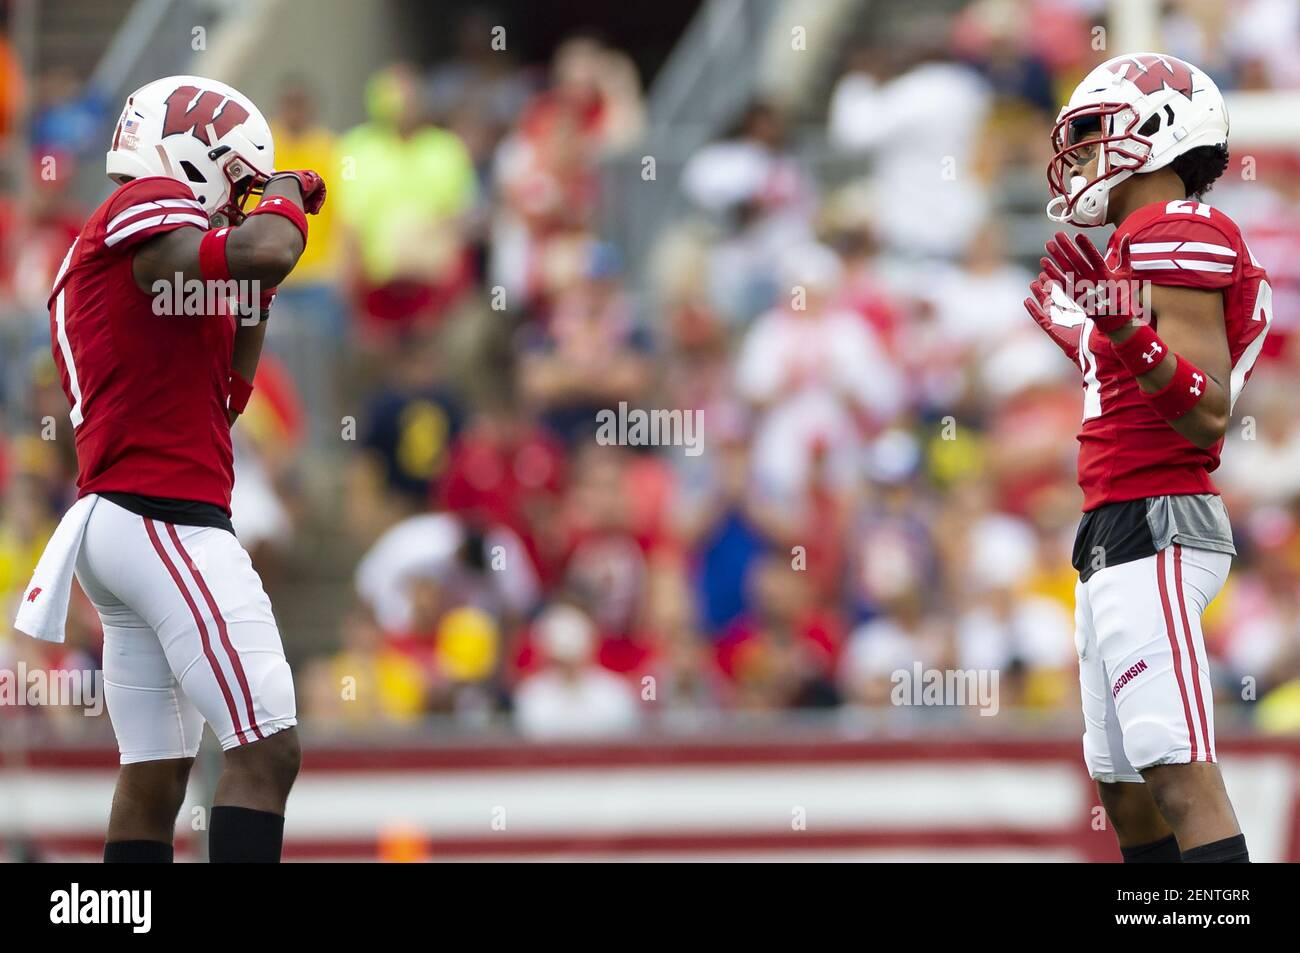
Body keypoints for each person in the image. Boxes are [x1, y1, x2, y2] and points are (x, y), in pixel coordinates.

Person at [15, 75, 326, 863]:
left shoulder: (143, 264)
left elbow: (224, 396)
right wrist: (284, 197)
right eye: (238, 184)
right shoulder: (138, 205)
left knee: (154, 778)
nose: (236, 203)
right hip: (164, 517)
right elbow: (265, 248)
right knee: (267, 748)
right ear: (197, 155)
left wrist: (261, 263)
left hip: (127, 518)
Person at [1025, 53, 1269, 863]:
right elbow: (1139, 390)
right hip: (1112, 529)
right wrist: (1090, 337)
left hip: (1157, 521)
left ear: (1159, 133)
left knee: (1178, 777)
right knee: (1126, 796)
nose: (1084, 156)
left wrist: (1121, 330)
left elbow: (1203, 414)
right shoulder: (1137, 242)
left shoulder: (1177, 229)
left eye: (1096, 134)